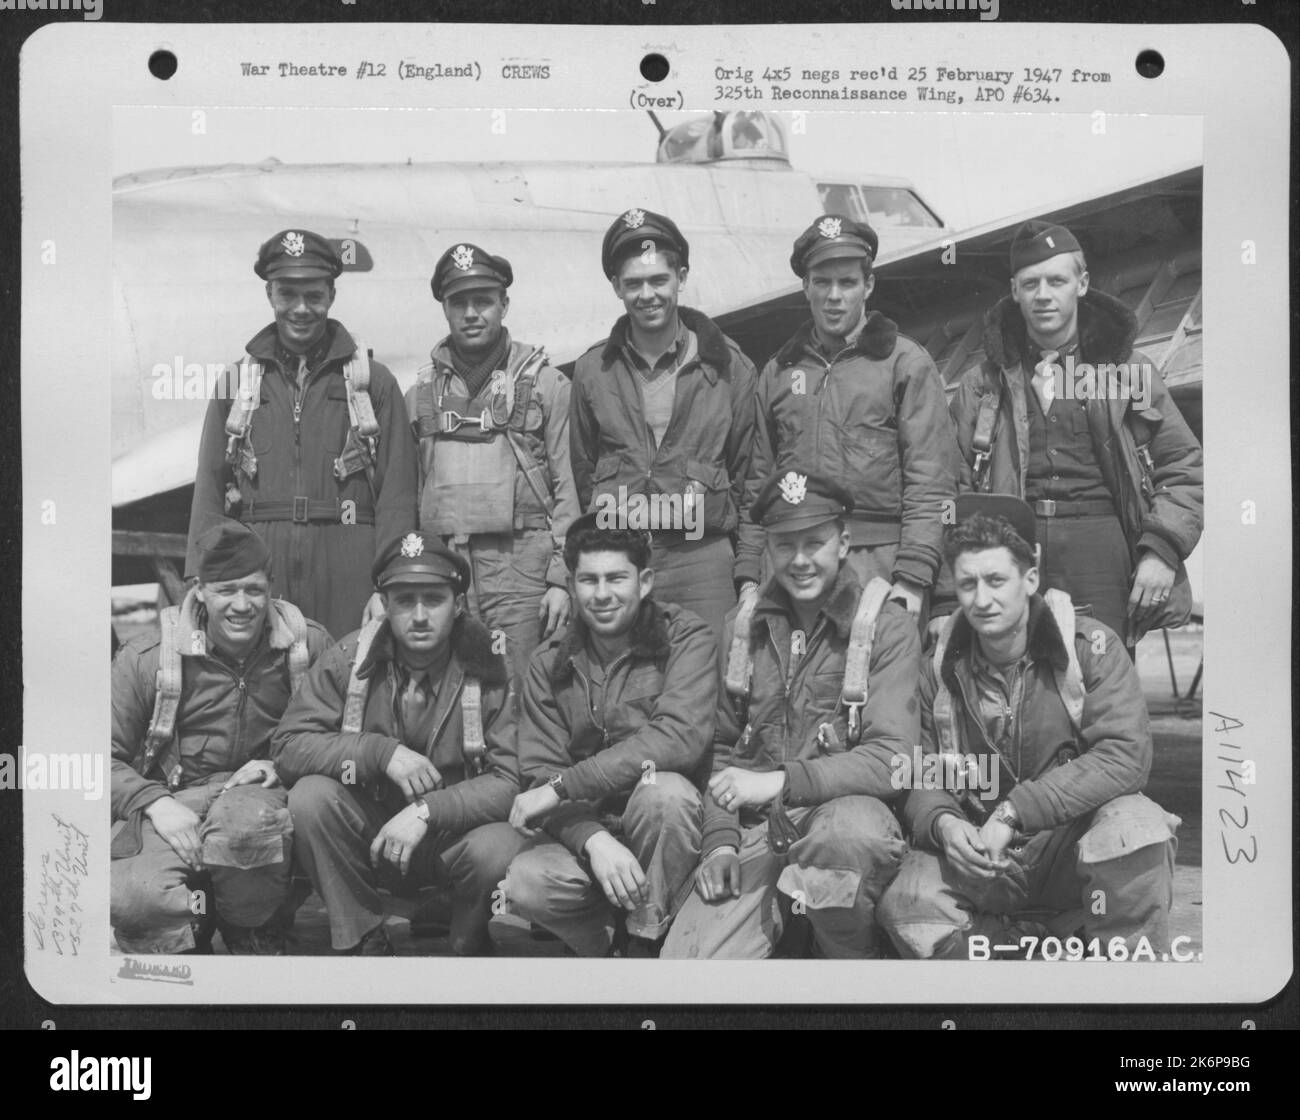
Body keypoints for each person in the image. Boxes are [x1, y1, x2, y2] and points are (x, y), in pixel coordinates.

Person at [878, 494, 1180, 959]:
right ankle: (1007, 965)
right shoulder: (935, 670)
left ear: (1031, 577)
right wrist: (943, 826)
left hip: (1069, 852)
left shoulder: (1091, 648)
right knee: (909, 905)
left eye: (996, 580)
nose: (981, 600)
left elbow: (1125, 756)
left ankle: (1125, 990)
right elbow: (920, 772)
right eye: (967, 584)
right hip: (981, 857)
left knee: (1135, 831)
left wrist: (1014, 811)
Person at [663, 471, 914, 959]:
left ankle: (850, 964)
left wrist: (782, 781)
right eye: (783, 545)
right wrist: (719, 842)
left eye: (814, 543)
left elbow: (894, 759)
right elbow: (722, 748)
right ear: (766, 550)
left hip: (841, 816)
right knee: (686, 974)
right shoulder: (743, 628)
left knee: (849, 838)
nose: (799, 561)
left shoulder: (885, 624)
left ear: (843, 543)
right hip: (760, 831)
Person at [944, 220, 1203, 645]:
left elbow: (1184, 466)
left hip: (1100, 550)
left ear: (1081, 284)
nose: (1043, 295)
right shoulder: (981, 384)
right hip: (1010, 549)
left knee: (1103, 685)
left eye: (1057, 280)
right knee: (1015, 688)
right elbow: (948, 486)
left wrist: (1162, 549)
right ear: (1014, 290)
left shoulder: (1129, 374)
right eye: (1030, 283)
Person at [273, 530, 523, 956]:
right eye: (405, 601)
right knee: (310, 798)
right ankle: (361, 934)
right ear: (384, 605)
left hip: (454, 833)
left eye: (434, 599)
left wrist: (429, 810)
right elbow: (289, 747)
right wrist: (377, 752)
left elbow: (512, 780)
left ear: (459, 604)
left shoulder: (493, 664)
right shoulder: (350, 657)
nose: (420, 615)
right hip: (373, 828)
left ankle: (468, 932)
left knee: (500, 844)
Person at [497, 512, 716, 956]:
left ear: (646, 581)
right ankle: (601, 948)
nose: (601, 595)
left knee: (663, 792)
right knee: (526, 881)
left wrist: (564, 786)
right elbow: (540, 771)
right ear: (572, 584)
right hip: (589, 830)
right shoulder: (548, 661)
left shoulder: (687, 638)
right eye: (587, 580)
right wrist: (593, 839)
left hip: (664, 832)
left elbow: (678, 738)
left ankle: (646, 939)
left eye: (616, 578)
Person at [187, 228, 418, 640]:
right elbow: (209, 488)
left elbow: (397, 495)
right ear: (269, 294)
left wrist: (390, 584)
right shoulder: (237, 383)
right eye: (286, 294)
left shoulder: (373, 384)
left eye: (313, 295)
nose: (300, 309)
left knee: (347, 686)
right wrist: (198, 580)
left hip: (351, 570)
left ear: (332, 294)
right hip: (260, 572)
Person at [111, 520, 330, 954]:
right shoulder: (147, 659)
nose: (241, 605)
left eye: (254, 590)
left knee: (245, 828)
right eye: (226, 590)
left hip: (259, 799)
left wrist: (281, 763)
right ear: (200, 590)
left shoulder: (309, 647)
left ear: (272, 588)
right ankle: (190, 924)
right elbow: (97, 760)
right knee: (132, 899)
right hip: (176, 799)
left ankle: (250, 925)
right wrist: (156, 803)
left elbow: (344, 737)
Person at [746, 214, 956, 627]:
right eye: (822, 283)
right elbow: (757, 481)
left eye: (847, 282)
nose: (834, 296)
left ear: (869, 285)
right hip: (797, 562)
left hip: (878, 562)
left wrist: (912, 576)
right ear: (805, 286)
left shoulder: (904, 363)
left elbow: (931, 480)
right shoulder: (779, 372)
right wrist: (750, 576)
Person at [569, 207, 762, 640]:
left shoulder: (730, 366)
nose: (648, 294)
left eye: (659, 280)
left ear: (681, 277)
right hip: (621, 560)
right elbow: (582, 471)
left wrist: (748, 571)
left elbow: (752, 479)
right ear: (616, 286)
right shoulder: (592, 371)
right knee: (627, 688)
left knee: (713, 691)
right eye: (634, 283)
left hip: (703, 558)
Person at [407, 243, 579, 683]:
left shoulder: (546, 384)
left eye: (483, 300)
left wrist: (561, 579)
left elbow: (569, 488)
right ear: (444, 309)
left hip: (521, 564)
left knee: (518, 686)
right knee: (449, 684)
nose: (471, 313)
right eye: (458, 302)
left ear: (504, 304)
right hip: (446, 560)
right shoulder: (421, 395)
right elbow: (408, 494)